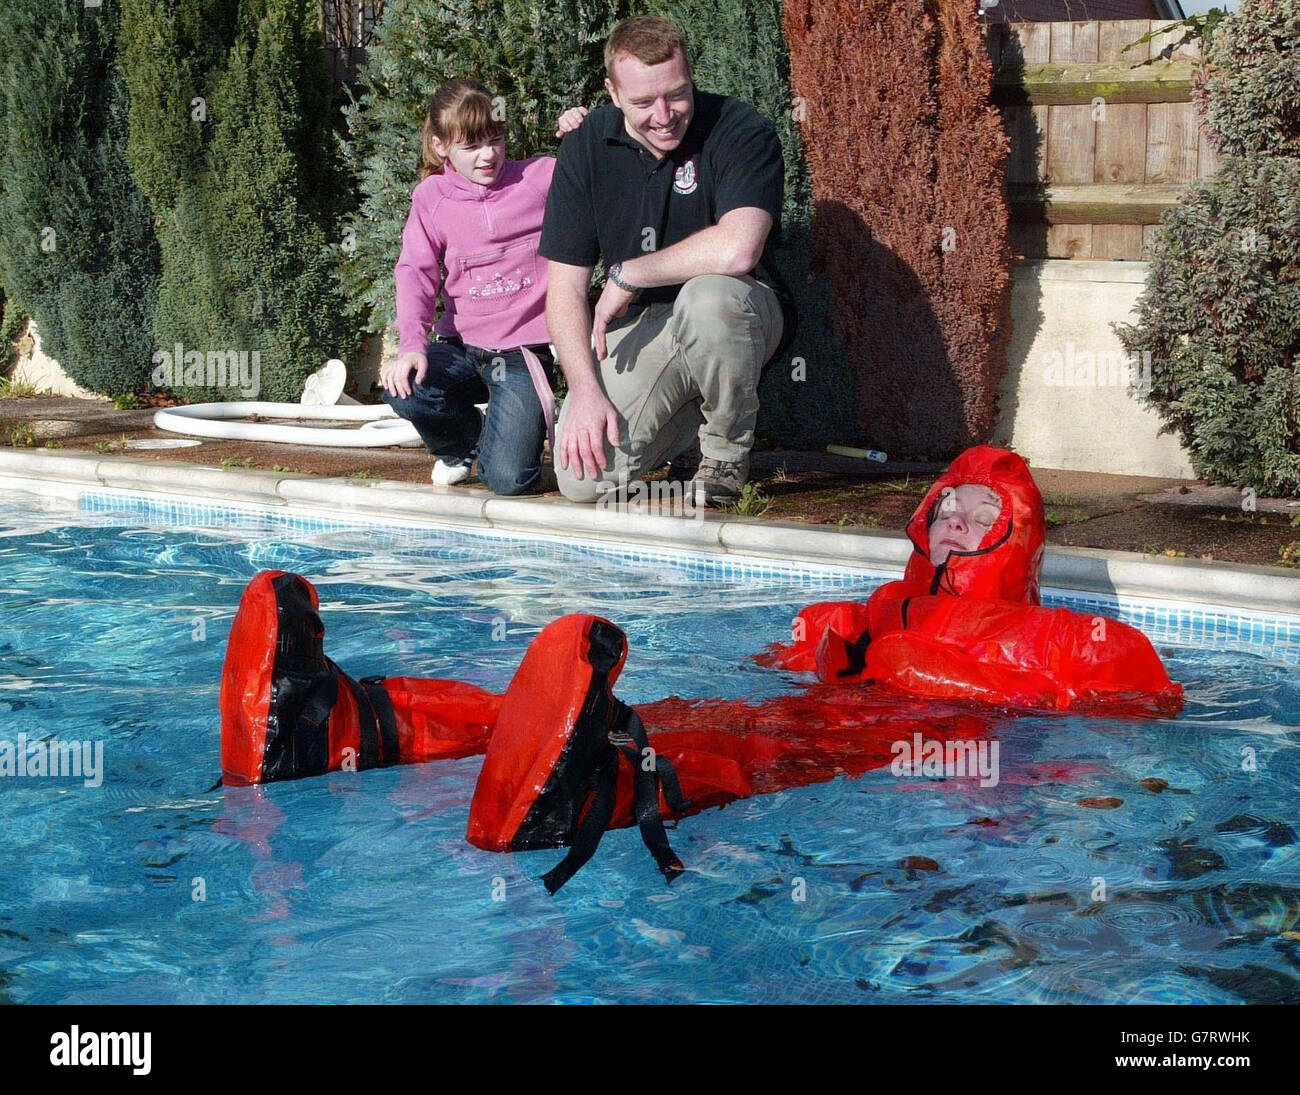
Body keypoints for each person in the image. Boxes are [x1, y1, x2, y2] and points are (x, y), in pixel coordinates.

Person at [538, 15, 795, 507]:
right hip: (646, 328)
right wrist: (585, 389)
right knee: (581, 479)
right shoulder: (586, 145)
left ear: (690, 75)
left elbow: (738, 248)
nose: (664, 114)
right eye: (642, 102)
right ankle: (690, 423)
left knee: (708, 297)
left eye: (676, 94)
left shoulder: (740, 128)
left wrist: (630, 273)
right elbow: (564, 290)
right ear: (613, 94)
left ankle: (724, 453)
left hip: (738, 309)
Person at [382, 79, 586, 494]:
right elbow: (415, 272)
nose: (488, 155)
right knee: (405, 388)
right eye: (472, 146)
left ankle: (505, 437)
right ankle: (462, 446)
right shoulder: (431, 198)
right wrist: (412, 345)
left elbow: (599, 174)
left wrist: (582, 136)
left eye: (495, 140)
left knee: (510, 481)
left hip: (520, 355)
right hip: (462, 349)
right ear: (441, 147)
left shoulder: (539, 178)